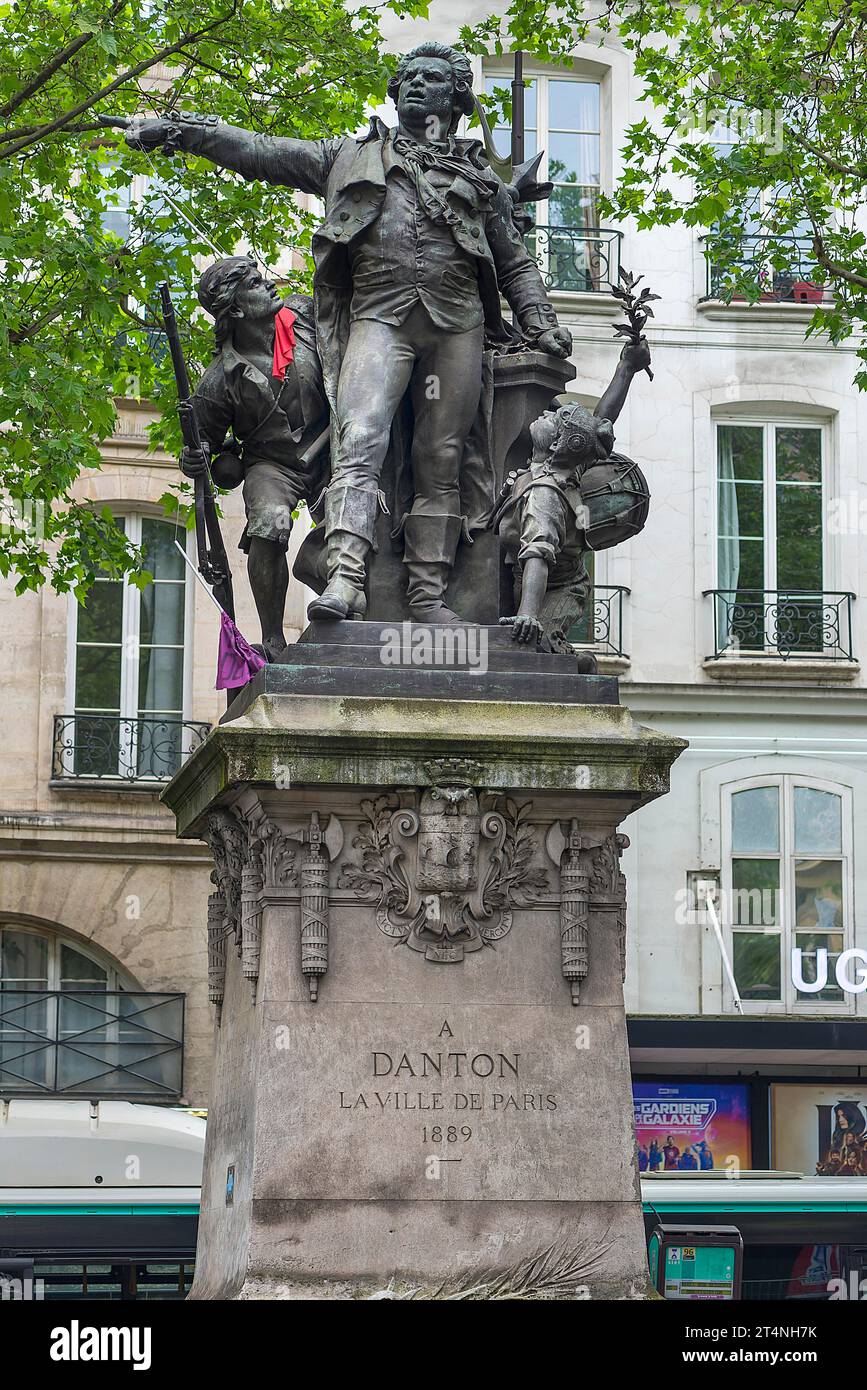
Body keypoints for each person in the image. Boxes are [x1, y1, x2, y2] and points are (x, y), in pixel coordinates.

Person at [116, 43, 571, 624]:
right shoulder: (350, 156)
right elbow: (258, 151)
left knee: (444, 455)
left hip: (457, 326)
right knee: (359, 439)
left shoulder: (479, 176)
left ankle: (428, 596)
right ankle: (345, 578)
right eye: (407, 77)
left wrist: (540, 320)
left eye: (430, 78)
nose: (414, 84)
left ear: (454, 99)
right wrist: (177, 130)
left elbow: (513, 260)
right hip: (380, 321)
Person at [181, 256, 328, 659]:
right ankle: (274, 636)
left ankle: (319, 570)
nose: (268, 285)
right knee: (268, 523)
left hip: (330, 446)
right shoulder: (219, 378)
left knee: (349, 517)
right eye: (254, 284)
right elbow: (202, 444)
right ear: (237, 308)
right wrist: (197, 459)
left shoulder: (303, 317)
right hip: (271, 463)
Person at [493, 336, 650, 654]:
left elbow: (537, 554)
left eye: (554, 420)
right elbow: (601, 423)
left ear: (556, 444)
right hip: (529, 575)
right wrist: (626, 368)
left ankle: (583, 665)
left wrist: (527, 614)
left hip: (559, 588)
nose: (548, 413)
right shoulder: (565, 465)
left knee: (542, 651)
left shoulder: (545, 495)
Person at [816, 1101, 867, 1176]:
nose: (840, 1120)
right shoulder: (837, 1139)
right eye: (838, 1116)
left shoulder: (862, 1143)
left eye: (843, 1116)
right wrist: (823, 1169)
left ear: (852, 1117)